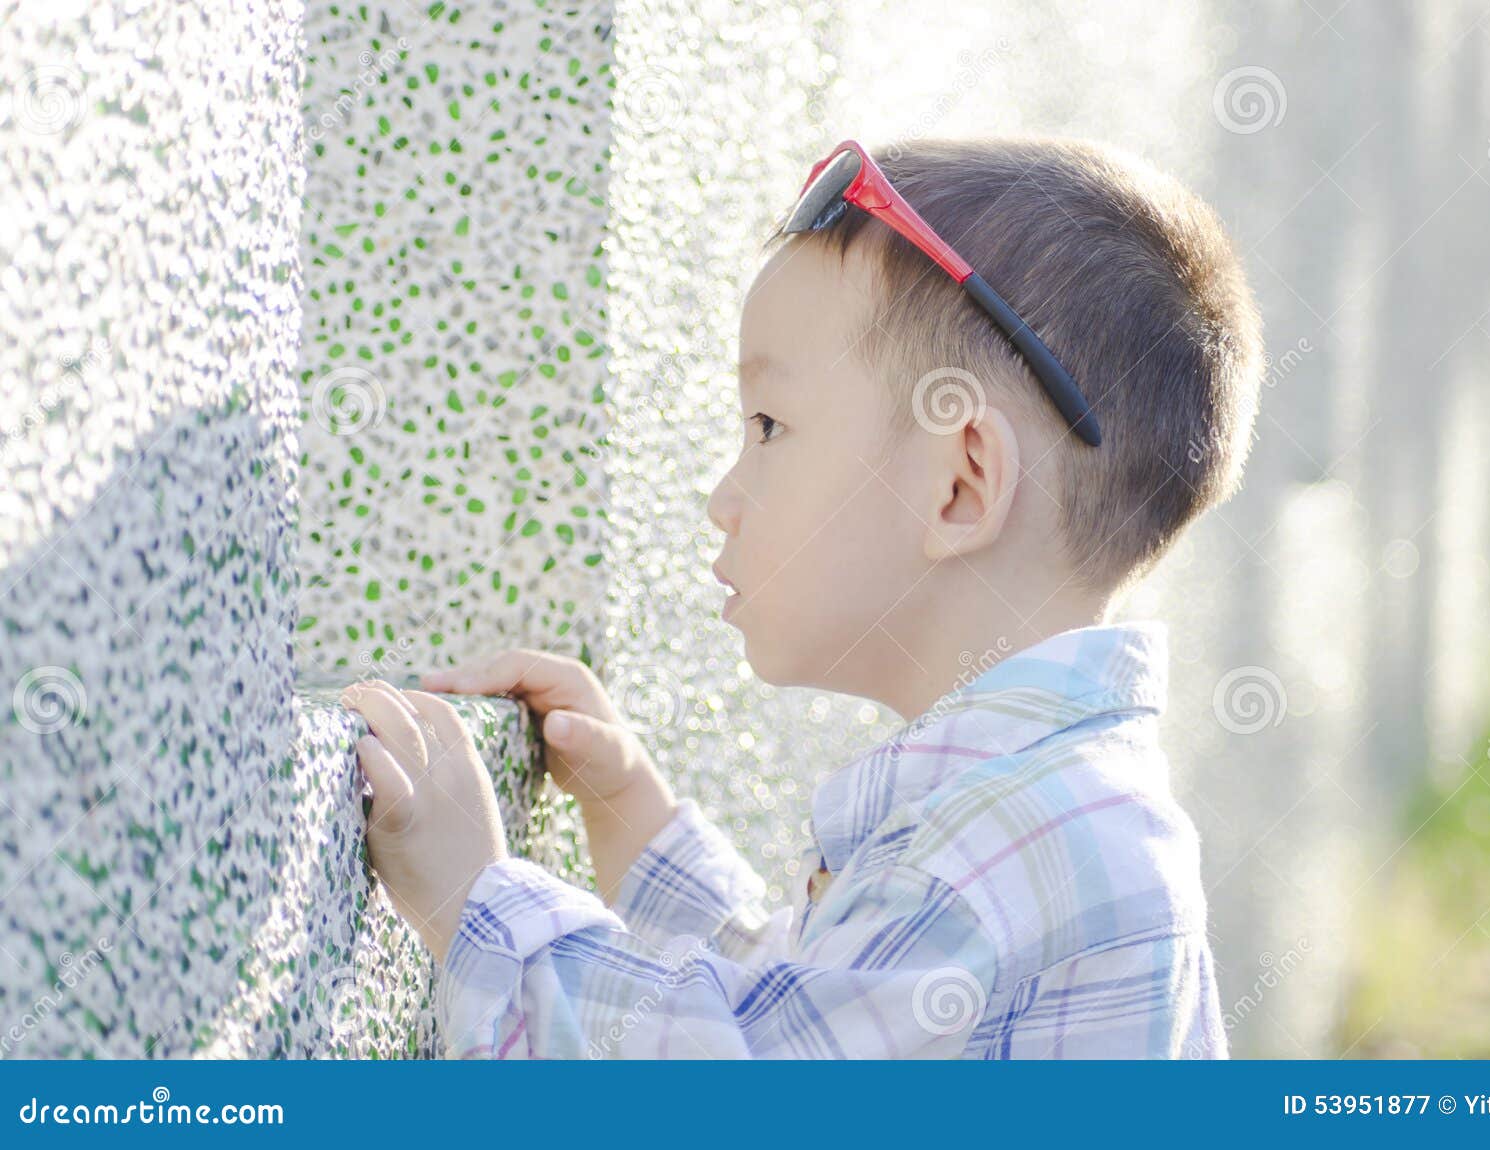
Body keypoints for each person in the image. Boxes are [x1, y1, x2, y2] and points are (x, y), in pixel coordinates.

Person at [343, 135, 1264, 1058]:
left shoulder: (991, 862)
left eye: (770, 427)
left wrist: (473, 901)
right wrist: (629, 811)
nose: (722, 498)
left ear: (959, 483)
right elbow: (802, 1008)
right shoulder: (1047, 816)